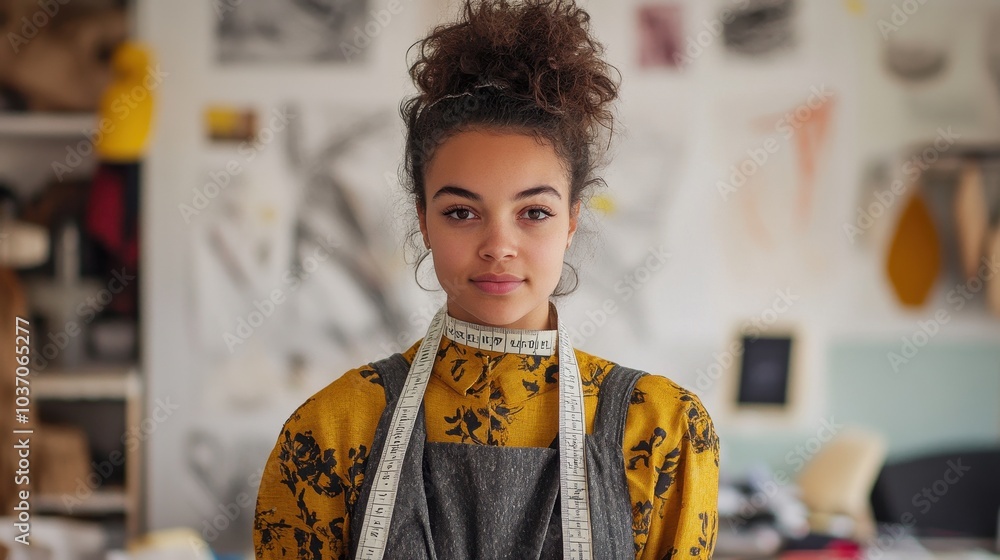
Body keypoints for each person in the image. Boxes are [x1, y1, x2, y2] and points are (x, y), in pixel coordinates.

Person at [253, 1, 719, 558]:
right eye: (461, 212)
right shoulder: (327, 432)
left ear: (571, 222)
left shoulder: (662, 432)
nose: (499, 246)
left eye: (534, 212)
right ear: (423, 221)